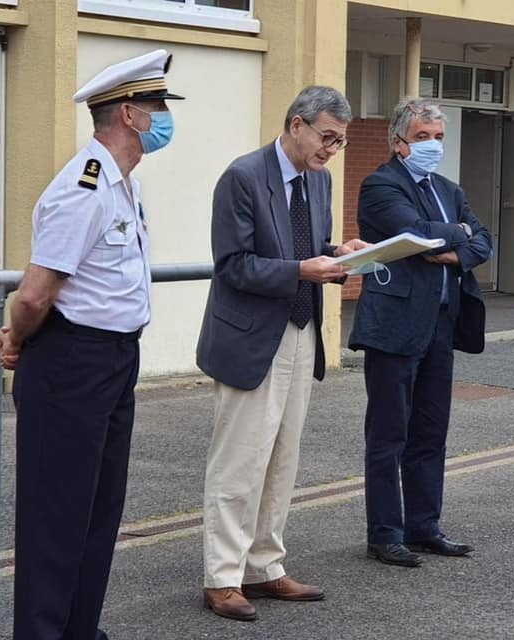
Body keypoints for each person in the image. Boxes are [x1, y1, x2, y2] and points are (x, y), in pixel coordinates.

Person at [0, 49, 182, 640]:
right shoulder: (84, 187)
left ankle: (80, 629)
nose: (163, 118)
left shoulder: (123, 184)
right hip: (73, 360)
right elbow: (34, 295)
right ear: (129, 113)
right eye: (157, 107)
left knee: (98, 510)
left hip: (114, 358)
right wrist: (15, 338)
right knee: (57, 516)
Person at [196, 85, 368, 622]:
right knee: (239, 461)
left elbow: (311, 246)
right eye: (326, 138)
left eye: (339, 142)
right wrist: (301, 269)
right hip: (251, 336)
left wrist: (339, 253)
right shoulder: (242, 177)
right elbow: (233, 265)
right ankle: (222, 577)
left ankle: (265, 566)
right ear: (297, 124)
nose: (331, 151)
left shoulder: (319, 181)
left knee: (281, 459)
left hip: (300, 328)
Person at [348, 99, 493, 568]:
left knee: (431, 431)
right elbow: (414, 233)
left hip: (441, 326)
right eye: (423, 137)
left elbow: (483, 240)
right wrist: (459, 234)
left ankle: (425, 526)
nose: (433, 146)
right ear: (399, 143)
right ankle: (385, 533)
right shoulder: (380, 184)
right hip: (394, 326)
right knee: (389, 434)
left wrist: (455, 248)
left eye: (438, 137)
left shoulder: (449, 189)